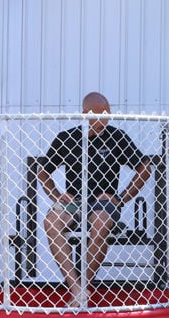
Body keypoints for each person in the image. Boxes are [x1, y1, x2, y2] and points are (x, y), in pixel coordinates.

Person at [37, 92, 152, 304]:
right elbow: (42, 171)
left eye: (108, 115)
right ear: (84, 114)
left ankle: (84, 287)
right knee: (51, 221)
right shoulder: (67, 138)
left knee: (100, 223)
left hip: (103, 202)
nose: (105, 121)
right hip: (74, 200)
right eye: (101, 115)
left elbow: (145, 168)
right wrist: (56, 195)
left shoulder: (116, 137)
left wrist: (121, 198)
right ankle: (75, 288)